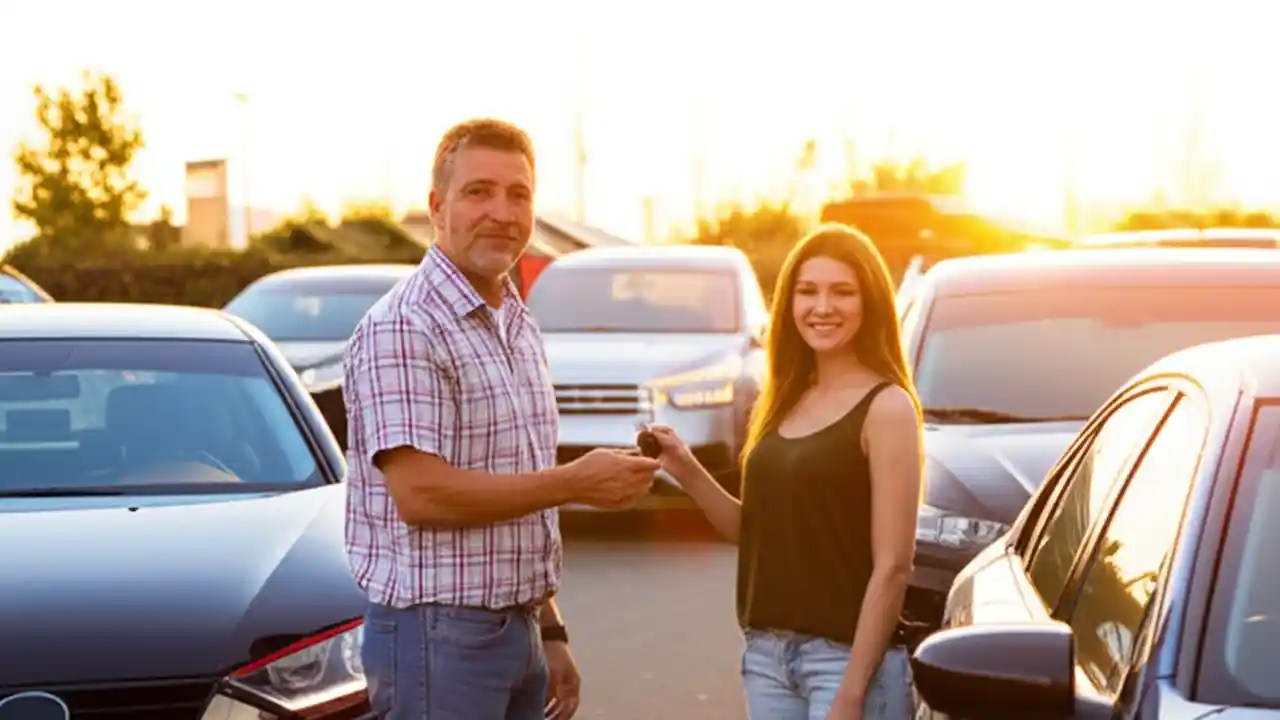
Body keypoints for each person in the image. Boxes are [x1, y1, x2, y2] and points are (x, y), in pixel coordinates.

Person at [342, 117, 662, 720]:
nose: (503, 211)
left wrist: (550, 629)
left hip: (515, 634)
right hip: (436, 641)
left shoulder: (515, 322)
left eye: (519, 194)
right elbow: (423, 494)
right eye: (478, 191)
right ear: (438, 208)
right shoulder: (405, 327)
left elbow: (518, 483)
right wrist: (575, 482)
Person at [645, 223, 923, 719]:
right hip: (768, 659)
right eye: (807, 291)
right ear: (789, 303)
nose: (822, 307)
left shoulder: (887, 408)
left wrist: (852, 693)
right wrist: (684, 468)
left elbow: (893, 567)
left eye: (842, 291)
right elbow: (752, 533)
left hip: (846, 664)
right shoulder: (783, 401)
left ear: (871, 303)